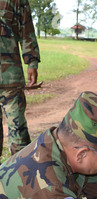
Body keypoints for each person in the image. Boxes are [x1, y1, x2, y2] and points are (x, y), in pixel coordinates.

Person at [0, 0, 40, 157]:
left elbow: (26, 30)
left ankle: (21, 175)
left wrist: (32, 62)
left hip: (10, 78)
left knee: (19, 135)